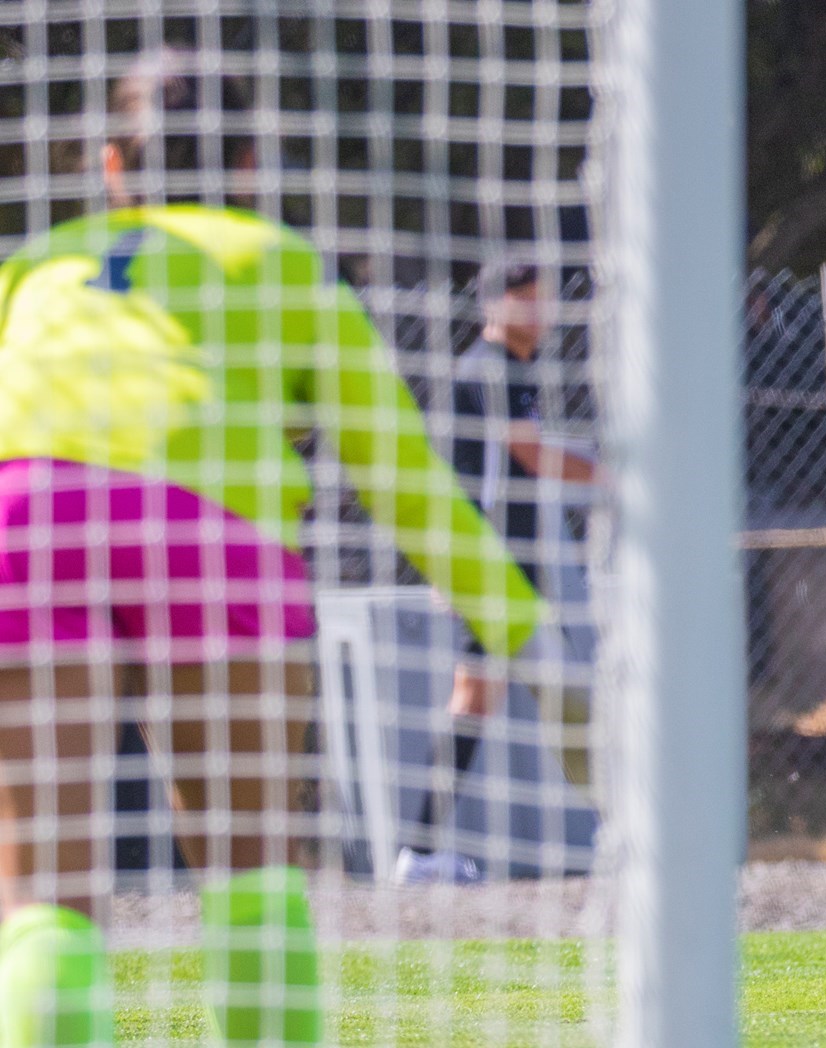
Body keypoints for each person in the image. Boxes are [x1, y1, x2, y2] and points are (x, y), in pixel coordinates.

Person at [0, 49, 538, 1044]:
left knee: (42, 896)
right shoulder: (279, 261)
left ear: (113, 166)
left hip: (30, 529)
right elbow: (397, 471)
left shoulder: (37, 265)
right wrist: (512, 613)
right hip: (209, 540)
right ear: (249, 165)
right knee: (250, 880)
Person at [393, 259, 598, 886]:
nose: (543, 316)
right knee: (570, 699)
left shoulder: (510, 371)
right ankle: (627, 832)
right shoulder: (493, 368)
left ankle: (419, 852)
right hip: (494, 571)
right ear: (498, 305)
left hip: (497, 568)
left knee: (479, 704)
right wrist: (616, 479)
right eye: (531, 302)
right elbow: (530, 453)